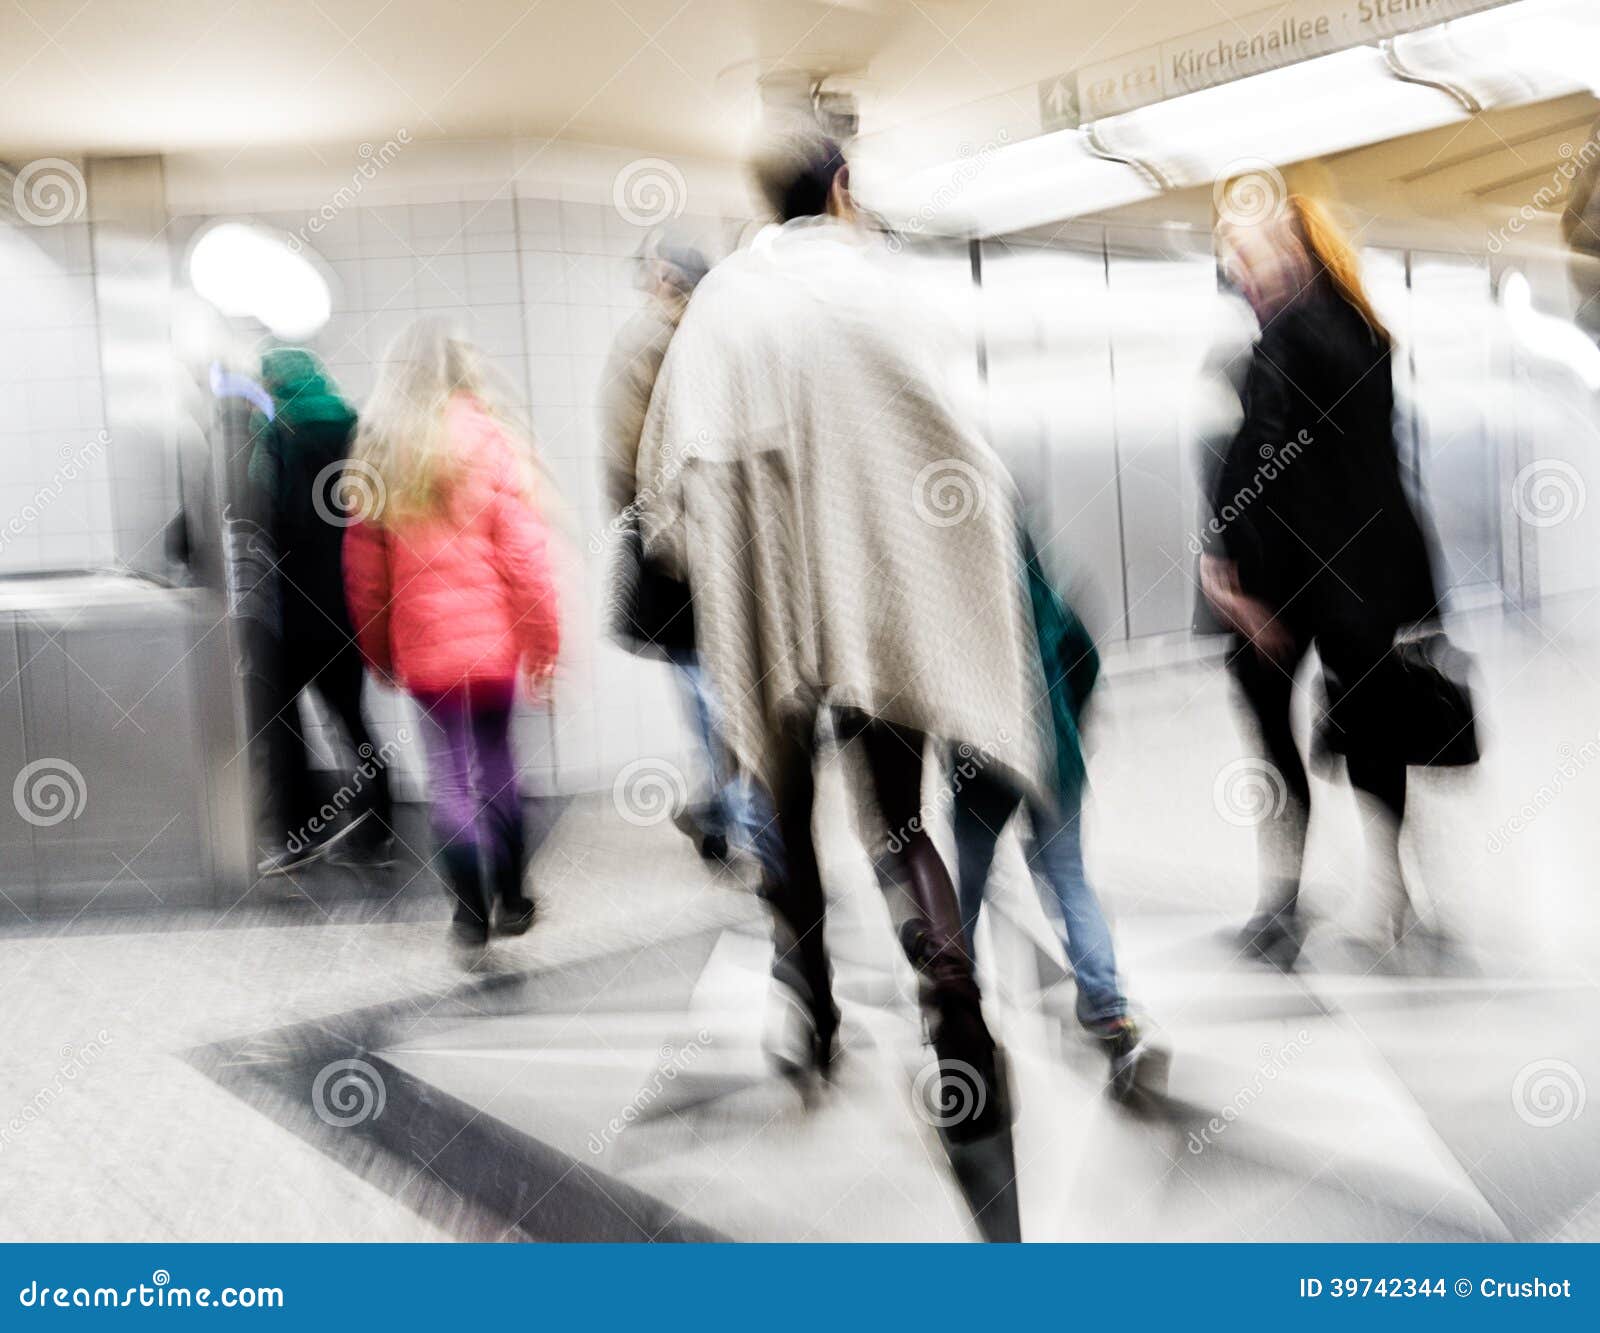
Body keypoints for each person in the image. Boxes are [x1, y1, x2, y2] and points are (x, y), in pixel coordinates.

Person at [634, 133, 1054, 1141]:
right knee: (899, 820)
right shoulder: (886, 287)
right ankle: (954, 1007)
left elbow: (665, 482)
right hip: (881, 594)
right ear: (841, 186)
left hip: (764, 605)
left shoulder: (725, 302)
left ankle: (813, 1011)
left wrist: (729, 559)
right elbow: (955, 442)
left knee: (785, 815)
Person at [1201, 193, 1440, 968]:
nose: (1237, 264)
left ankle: (1284, 904)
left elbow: (1263, 455)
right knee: (1373, 732)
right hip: (1366, 572)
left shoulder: (1287, 337)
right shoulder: (1363, 328)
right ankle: (1390, 894)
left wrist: (1228, 570)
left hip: (1284, 577)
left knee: (1276, 741)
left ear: (1287, 246)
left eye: (1245, 247)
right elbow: (1375, 463)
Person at [343, 318, 561, 948]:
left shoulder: (378, 451)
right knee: (498, 766)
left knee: (449, 778)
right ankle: (513, 899)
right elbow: (526, 557)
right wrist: (544, 642)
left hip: (426, 653)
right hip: (492, 648)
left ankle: (468, 915)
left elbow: (364, 577)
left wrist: (378, 652)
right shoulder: (490, 440)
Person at [599, 229, 783, 880]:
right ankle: (732, 813)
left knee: (710, 692)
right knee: (720, 691)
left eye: (659, 277)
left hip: (675, 546)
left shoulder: (652, 345)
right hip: (713, 544)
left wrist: (642, 523)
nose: (653, 290)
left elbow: (625, 459)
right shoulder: (715, 339)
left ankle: (724, 809)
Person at [951, 536, 1149, 1097]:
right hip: (1052, 755)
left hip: (981, 765)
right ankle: (1110, 1012)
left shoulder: (956, 601)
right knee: (1068, 881)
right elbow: (1085, 660)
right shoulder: (1046, 590)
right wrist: (1072, 723)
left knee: (967, 888)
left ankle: (957, 1008)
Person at [249, 348, 394, 875]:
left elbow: (275, 516)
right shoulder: (354, 427)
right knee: (353, 720)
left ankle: (298, 835)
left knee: (282, 723)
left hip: (291, 605)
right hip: (349, 603)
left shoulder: (277, 432)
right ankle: (378, 830)